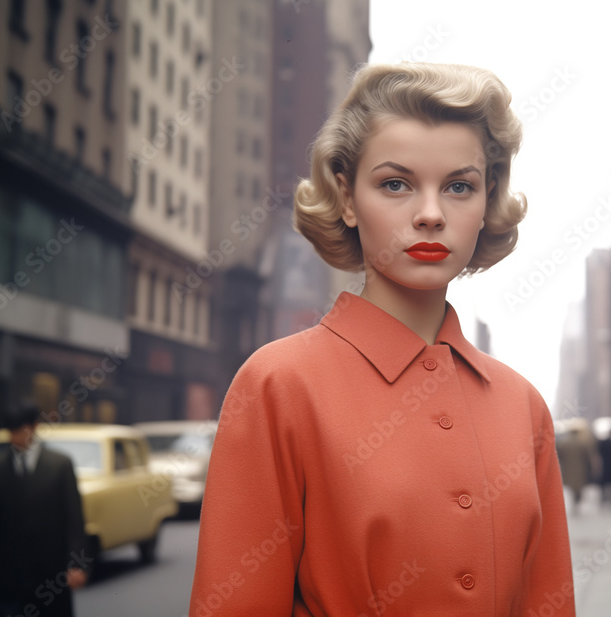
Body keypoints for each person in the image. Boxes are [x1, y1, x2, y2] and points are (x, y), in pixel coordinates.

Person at [189, 63, 574, 615]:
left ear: (487, 202)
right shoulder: (278, 385)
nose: (430, 214)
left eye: (459, 186)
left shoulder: (523, 405)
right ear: (347, 199)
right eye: (396, 184)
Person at [0, 403, 87, 617]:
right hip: (9, 568)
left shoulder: (60, 465)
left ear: (34, 427)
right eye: (12, 431)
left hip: (50, 568)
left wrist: (76, 564)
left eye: (20, 430)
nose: (15, 437)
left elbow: (74, 518)